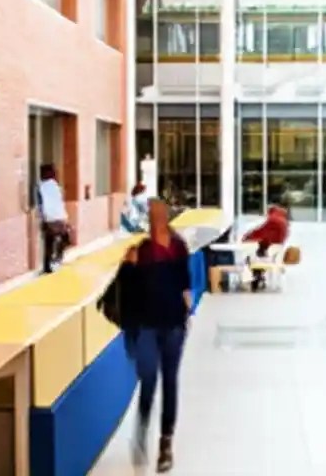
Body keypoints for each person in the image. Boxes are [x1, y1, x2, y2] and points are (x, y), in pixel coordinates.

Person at [123, 199, 192, 473]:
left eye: (158, 214)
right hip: (147, 325)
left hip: (174, 324)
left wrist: (188, 313)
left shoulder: (178, 247)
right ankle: (141, 430)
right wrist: (128, 267)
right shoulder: (140, 251)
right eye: (151, 215)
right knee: (149, 379)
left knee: (170, 382)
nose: (155, 219)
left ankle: (165, 444)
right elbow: (128, 291)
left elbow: (185, 283)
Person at [242, 204, 289, 291]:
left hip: (269, 251)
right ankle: (258, 278)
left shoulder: (273, 220)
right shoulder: (283, 221)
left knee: (249, 259)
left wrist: (248, 237)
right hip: (276, 251)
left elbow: (262, 232)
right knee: (257, 256)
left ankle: (250, 281)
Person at [36, 164, 70, 273]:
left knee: (49, 243)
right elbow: (58, 203)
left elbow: (42, 204)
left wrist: (42, 217)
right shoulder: (54, 186)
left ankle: (48, 265)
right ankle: (55, 260)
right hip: (56, 218)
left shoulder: (43, 186)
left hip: (50, 218)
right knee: (64, 239)